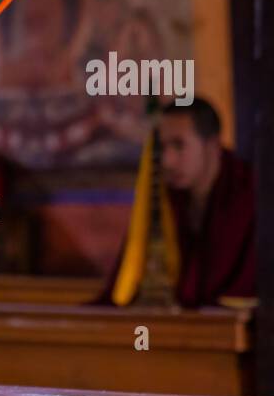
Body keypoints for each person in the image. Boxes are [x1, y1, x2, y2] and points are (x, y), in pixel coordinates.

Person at [100, 97, 255, 308]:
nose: (167, 161)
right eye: (161, 148)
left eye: (179, 145)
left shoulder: (249, 193)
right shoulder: (163, 196)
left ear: (212, 145)